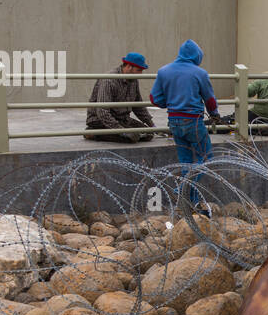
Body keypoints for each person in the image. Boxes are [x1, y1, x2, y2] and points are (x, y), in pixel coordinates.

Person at [150, 39, 220, 214]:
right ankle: (181, 188)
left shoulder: (164, 71)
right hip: (194, 122)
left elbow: (154, 98)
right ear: (197, 56)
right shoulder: (200, 73)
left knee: (186, 163)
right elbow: (209, 99)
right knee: (206, 158)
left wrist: (172, 102)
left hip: (174, 122)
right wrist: (214, 115)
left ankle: (191, 202)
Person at [84, 52, 156, 142]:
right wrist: (122, 131)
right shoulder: (109, 80)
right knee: (131, 137)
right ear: (129, 67)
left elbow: (138, 106)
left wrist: (152, 126)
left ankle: (114, 133)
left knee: (149, 134)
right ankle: (93, 133)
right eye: (139, 70)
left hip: (122, 119)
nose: (140, 73)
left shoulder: (134, 81)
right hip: (100, 121)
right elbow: (102, 112)